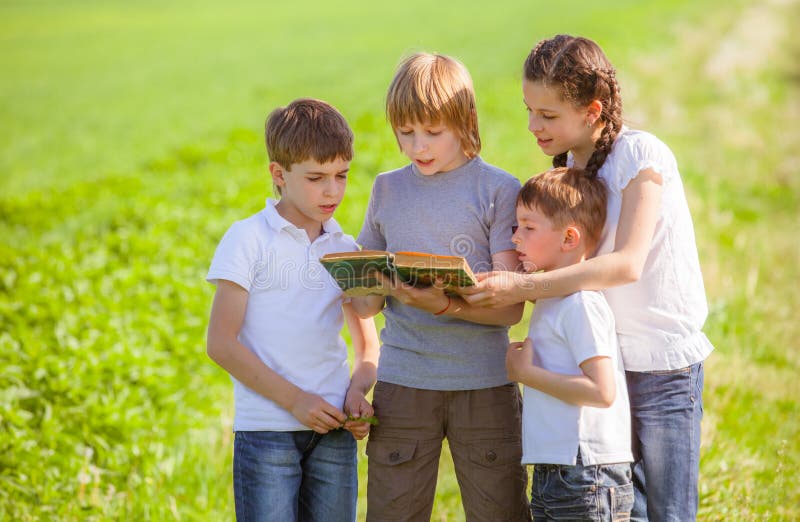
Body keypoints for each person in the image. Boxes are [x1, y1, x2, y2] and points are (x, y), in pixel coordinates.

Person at [459, 35, 714, 521]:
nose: (534, 126)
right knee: (623, 510)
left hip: (661, 368)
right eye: (529, 110)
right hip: (602, 360)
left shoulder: (642, 156)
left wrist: (522, 288)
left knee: (668, 512)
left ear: (593, 110)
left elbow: (626, 264)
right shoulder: (569, 171)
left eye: (548, 115)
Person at [351, 52, 530, 521]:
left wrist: (443, 306)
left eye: (433, 132)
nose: (417, 146)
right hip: (404, 383)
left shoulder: (497, 189)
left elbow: (510, 309)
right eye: (405, 132)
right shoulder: (387, 189)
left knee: (500, 511)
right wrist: (360, 279)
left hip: (485, 384)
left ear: (465, 119)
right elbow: (367, 304)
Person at [205, 98, 380, 521]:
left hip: (334, 431)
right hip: (267, 432)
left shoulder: (345, 249)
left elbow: (368, 347)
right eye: (316, 177)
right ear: (279, 174)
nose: (332, 191)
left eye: (341, 176)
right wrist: (296, 401)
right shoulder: (248, 239)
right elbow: (221, 344)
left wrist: (358, 392)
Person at [506, 166, 633, 521]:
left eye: (528, 228)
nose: (516, 237)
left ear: (568, 239)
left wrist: (526, 374)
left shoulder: (580, 304)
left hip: (585, 471)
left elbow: (601, 390)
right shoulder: (553, 299)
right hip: (557, 467)